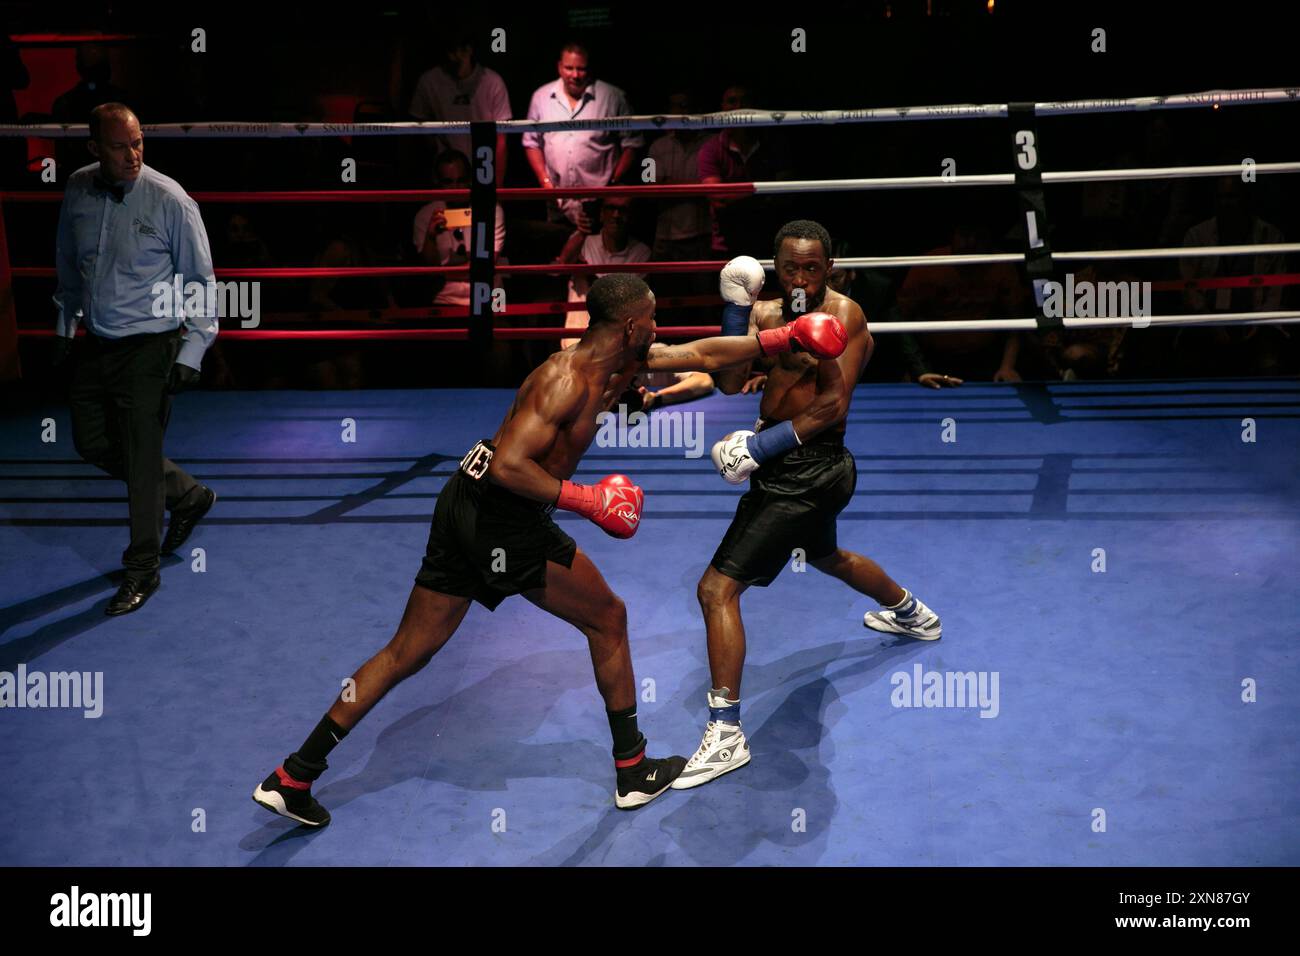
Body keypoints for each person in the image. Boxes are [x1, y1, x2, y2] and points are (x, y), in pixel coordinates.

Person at [252, 274, 847, 826]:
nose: (660, 328)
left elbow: (704, 356)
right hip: (501, 517)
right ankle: (633, 770)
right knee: (608, 619)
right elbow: (511, 464)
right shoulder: (566, 379)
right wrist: (587, 500)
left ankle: (294, 775)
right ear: (632, 326)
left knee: (408, 650)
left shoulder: (621, 360)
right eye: (654, 319)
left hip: (465, 504)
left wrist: (781, 336)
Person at [675, 221, 942, 790]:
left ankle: (725, 735)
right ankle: (912, 612)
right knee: (825, 555)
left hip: (810, 468)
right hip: (786, 466)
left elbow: (831, 405)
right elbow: (727, 384)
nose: (801, 278)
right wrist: (732, 309)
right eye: (790, 267)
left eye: (812, 267)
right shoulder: (766, 315)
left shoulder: (844, 318)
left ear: (830, 268)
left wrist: (759, 446)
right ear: (775, 267)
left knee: (715, 589)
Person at [52, 103, 218, 616]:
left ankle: (142, 569)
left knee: (142, 461)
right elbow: (69, 266)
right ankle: (187, 495)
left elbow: (201, 281)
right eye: (121, 146)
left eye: (139, 142)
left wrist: (194, 347)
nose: (133, 154)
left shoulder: (170, 198)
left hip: (151, 345)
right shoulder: (78, 187)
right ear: (94, 148)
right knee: (92, 442)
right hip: (96, 343)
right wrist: (65, 327)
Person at [522, 41, 642, 237]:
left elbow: (633, 144)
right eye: (569, 68)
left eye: (581, 69)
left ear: (589, 68)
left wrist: (611, 185)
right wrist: (545, 184)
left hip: (600, 206)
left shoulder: (613, 97)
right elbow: (530, 142)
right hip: (557, 204)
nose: (575, 75)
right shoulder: (541, 97)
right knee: (560, 263)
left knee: (597, 263)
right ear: (559, 67)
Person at [408, 31, 511, 185]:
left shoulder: (493, 82)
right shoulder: (429, 81)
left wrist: (498, 185)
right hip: (444, 176)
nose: (452, 58)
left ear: (469, 50)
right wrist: (438, 153)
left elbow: (501, 141)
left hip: (482, 172)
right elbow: (417, 125)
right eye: (448, 52)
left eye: (456, 53)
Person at [558, 196, 651, 348]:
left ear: (632, 216)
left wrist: (592, 276)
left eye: (623, 210)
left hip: (620, 343)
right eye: (610, 208)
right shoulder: (583, 242)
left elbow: (631, 301)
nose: (616, 215)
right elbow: (562, 264)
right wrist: (581, 232)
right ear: (601, 214)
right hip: (579, 339)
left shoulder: (641, 253)